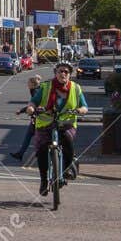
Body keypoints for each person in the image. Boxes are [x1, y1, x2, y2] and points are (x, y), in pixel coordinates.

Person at [30, 62, 88, 194]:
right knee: (42, 150)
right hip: (45, 125)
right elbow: (33, 101)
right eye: (60, 71)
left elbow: (84, 106)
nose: (63, 74)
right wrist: (31, 108)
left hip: (66, 124)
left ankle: (66, 169)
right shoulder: (45, 87)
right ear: (55, 73)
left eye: (66, 72)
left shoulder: (76, 88)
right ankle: (44, 181)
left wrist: (80, 110)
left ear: (69, 75)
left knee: (67, 139)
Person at [11, 75, 42, 161]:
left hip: (38, 117)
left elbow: (33, 105)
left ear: (32, 84)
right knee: (33, 136)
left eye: (28, 83)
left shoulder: (35, 91)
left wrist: (21, 111)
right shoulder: (36, 90)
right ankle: (23, 153)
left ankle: (34, 152)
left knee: (34, 136)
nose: (27, 85)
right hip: (37, 117)